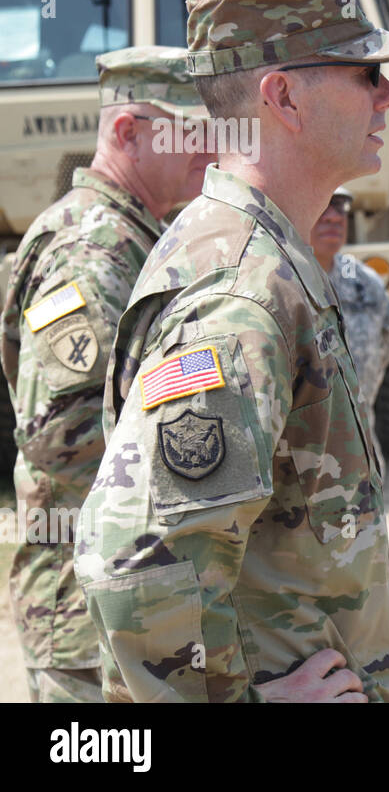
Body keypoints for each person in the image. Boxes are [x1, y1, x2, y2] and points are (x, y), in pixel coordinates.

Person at [73, 0, 389, 703]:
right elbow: (137, 558)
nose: (388, 95)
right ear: (284, 98)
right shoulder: (242, 288)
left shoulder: (264, 253)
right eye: (365, 74)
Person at [1, 46, 214, 703]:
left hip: (128, 591)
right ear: (126, 134)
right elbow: (62, 434)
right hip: (86, 610)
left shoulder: (137, 235)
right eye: (190, 135)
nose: (209, 153)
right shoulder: (89, 249)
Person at [309, 185, 389, 463]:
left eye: (340, 208)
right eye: (323, 205)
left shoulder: (365, 283)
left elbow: (386, 346)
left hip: (362, 453)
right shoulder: (280, 283)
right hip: (304, 464)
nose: (334, 217)